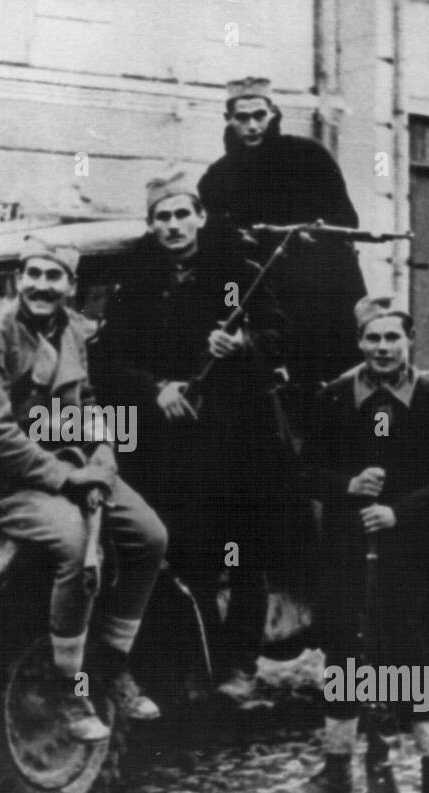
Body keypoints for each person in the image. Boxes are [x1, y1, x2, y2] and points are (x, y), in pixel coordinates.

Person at [0, 235, 168, 743]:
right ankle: (66, 686)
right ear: (17, 280)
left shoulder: (71, 330)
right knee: (76, 545)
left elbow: (84, 401)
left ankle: (112, 666)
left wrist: (102, 451)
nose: (41, 286)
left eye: (54, 277)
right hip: (4, 484)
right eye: (33, 275)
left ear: (71, 287)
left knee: (149, 537)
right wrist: (69, 478)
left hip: (73, 466)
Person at [92, 170, 286, 703]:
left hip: (237, 440)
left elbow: (279, 339)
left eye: (182, 214)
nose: (173, 226)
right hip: (168, 448)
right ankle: (196, 668)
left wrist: (242, 344)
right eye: (162, 217)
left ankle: (243, 666)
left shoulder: (238, 274)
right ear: (151, 225)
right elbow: (107, 359)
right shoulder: (136, 286)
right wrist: (155, 390)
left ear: (199, 217)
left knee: (244, 555)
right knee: (184, 557)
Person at [287, 296, 429, 793]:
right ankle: (337, 770)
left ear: (408, 341)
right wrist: (346, 486)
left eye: (393, 338)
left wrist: (398, 511)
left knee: (412, 654)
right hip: (347, 548)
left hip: (409, 550)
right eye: (373, 338)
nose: (383, 348)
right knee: (345, 653)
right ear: (360, 342)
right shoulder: (334, 399)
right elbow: (305, 471)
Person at [198, 76, 366, 398]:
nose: (252, 126)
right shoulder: (215, 179)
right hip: (259, 303)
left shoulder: (310, 157)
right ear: (228, 119)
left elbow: (346, 221)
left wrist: (309, 238)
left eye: (259, 115)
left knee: (334, 387)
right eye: (242, 117)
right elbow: (215, 249)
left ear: (273, 114)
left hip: (319, 297)